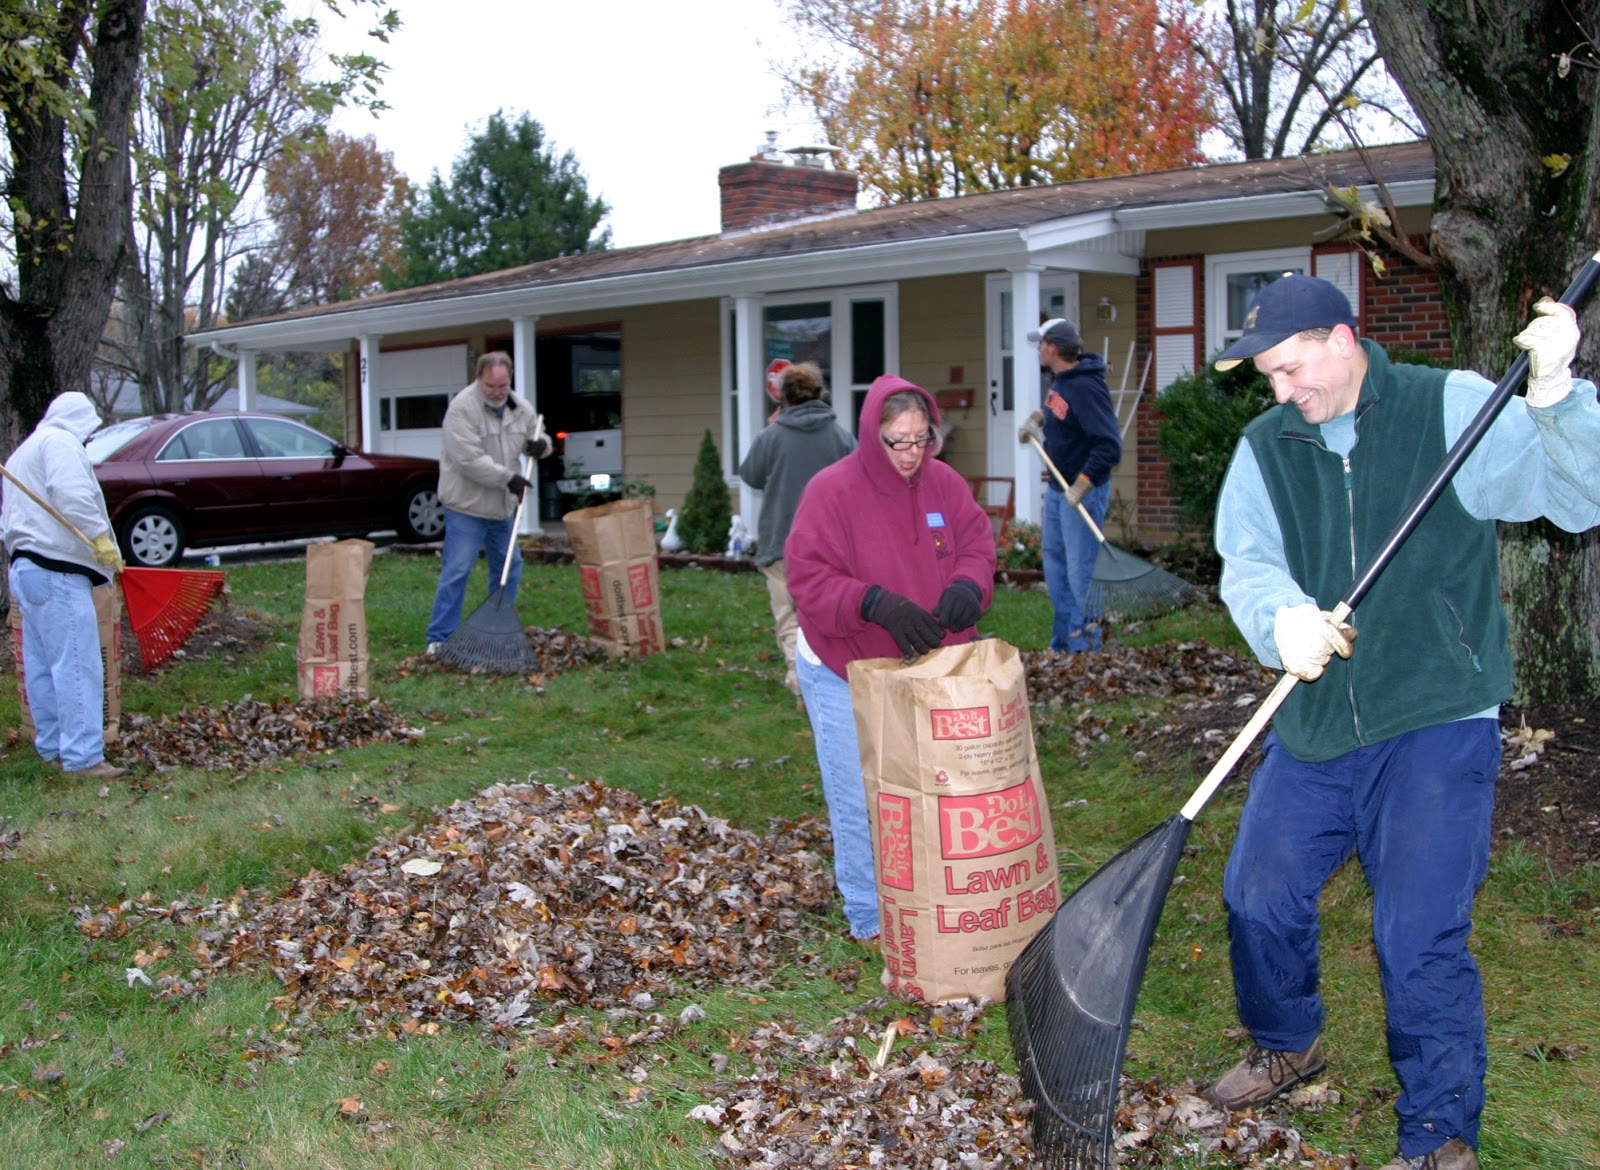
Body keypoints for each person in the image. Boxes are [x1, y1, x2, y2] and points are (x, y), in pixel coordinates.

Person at [1204, 274, 1600, 1170]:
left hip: (1435, 714)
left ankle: (1438, 1134)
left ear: (1344, 341)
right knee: (1257, 894)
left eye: (1292, 369)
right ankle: (1287, 1040)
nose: (1282, 392)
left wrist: (1555, 397)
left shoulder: (1448, 407)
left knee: (1417, 933)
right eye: (1269, 377)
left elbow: (1581, 499)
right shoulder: (1266, 448)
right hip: (1317, 721)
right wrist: (1281, 619)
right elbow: (1249, 562)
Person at [785, 375, 997, 942]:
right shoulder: (832, 491)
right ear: (871, 434)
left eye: (921, 439)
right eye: (897, 441)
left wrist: (968, 586)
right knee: (859, 794)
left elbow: (977, 547)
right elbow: (808, 578)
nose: (910, 454)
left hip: (923, 665)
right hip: (844, 666)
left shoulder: (944, 484)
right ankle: (868, 917)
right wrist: (874, 603)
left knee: (932, 785)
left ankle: (932, 896)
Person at [1, 392, 129, 780]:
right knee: (77, 664)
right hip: (56, 570)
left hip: (25, 569)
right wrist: (99, 536)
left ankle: (53, 748)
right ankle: (83, 757)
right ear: (80, 421)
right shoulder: (60, 442)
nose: (87, 439)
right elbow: (72, 493)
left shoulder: (24, 452)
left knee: (43, 665)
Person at [738, 361, 855, 702]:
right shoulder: (840, 436)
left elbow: (751, 475)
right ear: (820, 393)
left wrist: (770, 430)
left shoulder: (772, 436)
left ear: (783, 397)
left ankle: (801, 680)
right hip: (832, 546)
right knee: (827, 615)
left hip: (781, 543)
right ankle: (832, 679)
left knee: (789, 614)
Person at [425, 352, 551, 653]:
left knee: (510, 568)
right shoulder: (461, 410)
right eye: (490, 386)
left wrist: (542, 446)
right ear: (478, 378)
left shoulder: (521, 408)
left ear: (509, 380)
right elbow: (468, 460)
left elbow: (538, 435)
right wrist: (509, 479)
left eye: (502, 386)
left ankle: (496, 629)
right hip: (465, 505)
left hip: (501, 507)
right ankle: (440, 637)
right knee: (457, 570)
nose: (497, 392)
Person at [1022, 317, 1121, 652]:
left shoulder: (1086, 387)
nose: (1038, 349)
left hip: (1082, 493)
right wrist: (1038, 418)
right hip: (1057, 490)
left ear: (1053, 348)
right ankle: (1063, 644)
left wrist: (1083, 483)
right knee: (1056, 567)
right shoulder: (1061, 381)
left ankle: (1087, 650)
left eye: (1040, 344)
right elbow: (1063, 414)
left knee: (1081, 575)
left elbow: (1109, 445)